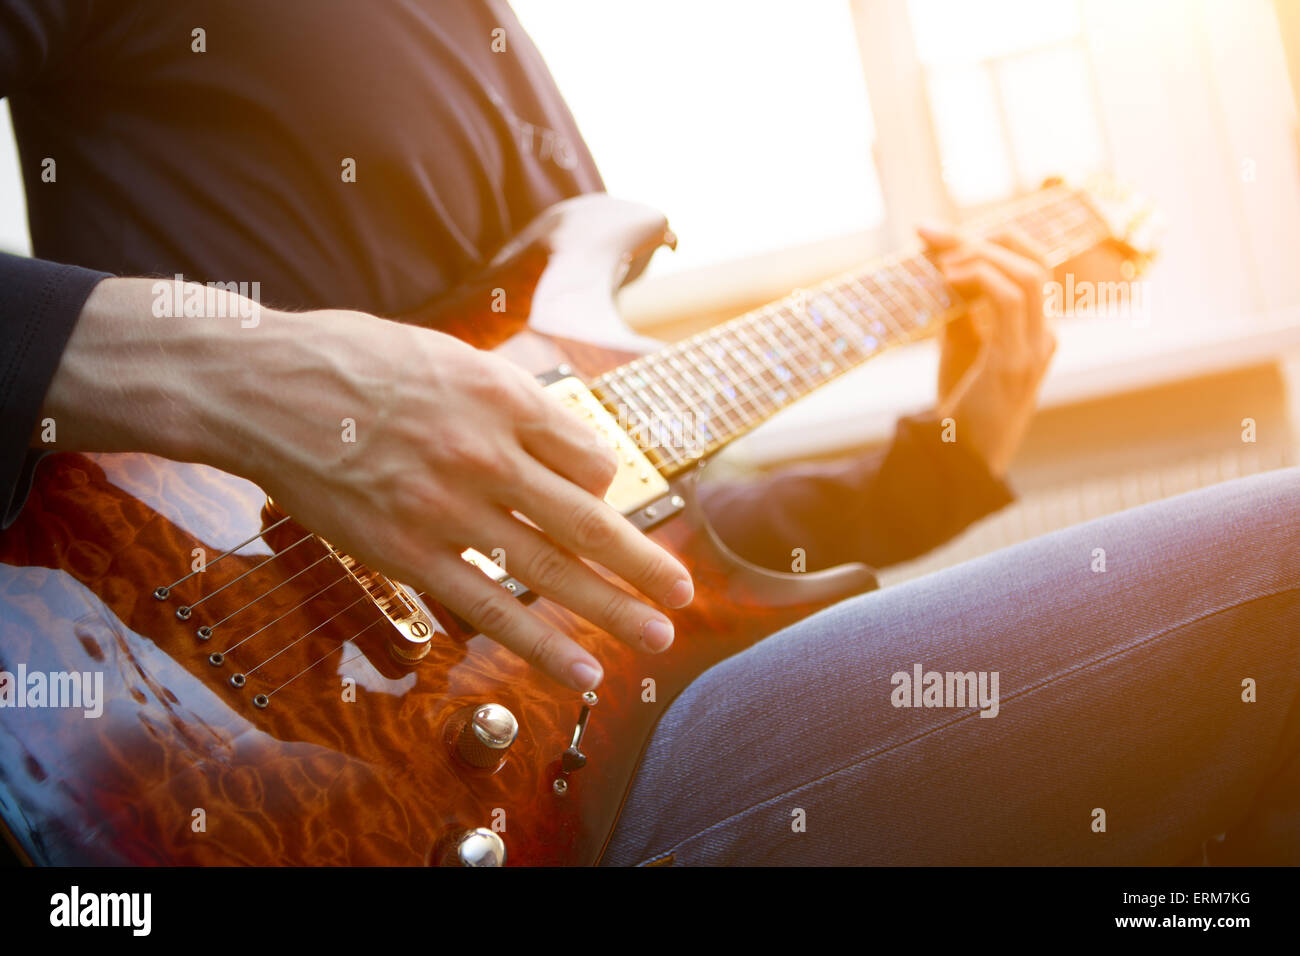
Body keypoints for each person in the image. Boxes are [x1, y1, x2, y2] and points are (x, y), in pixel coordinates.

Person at [1, 1, 1295, 866]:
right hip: (202, 721)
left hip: (592, 745)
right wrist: (232, 371)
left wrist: (963, 436)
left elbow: (640, 527)